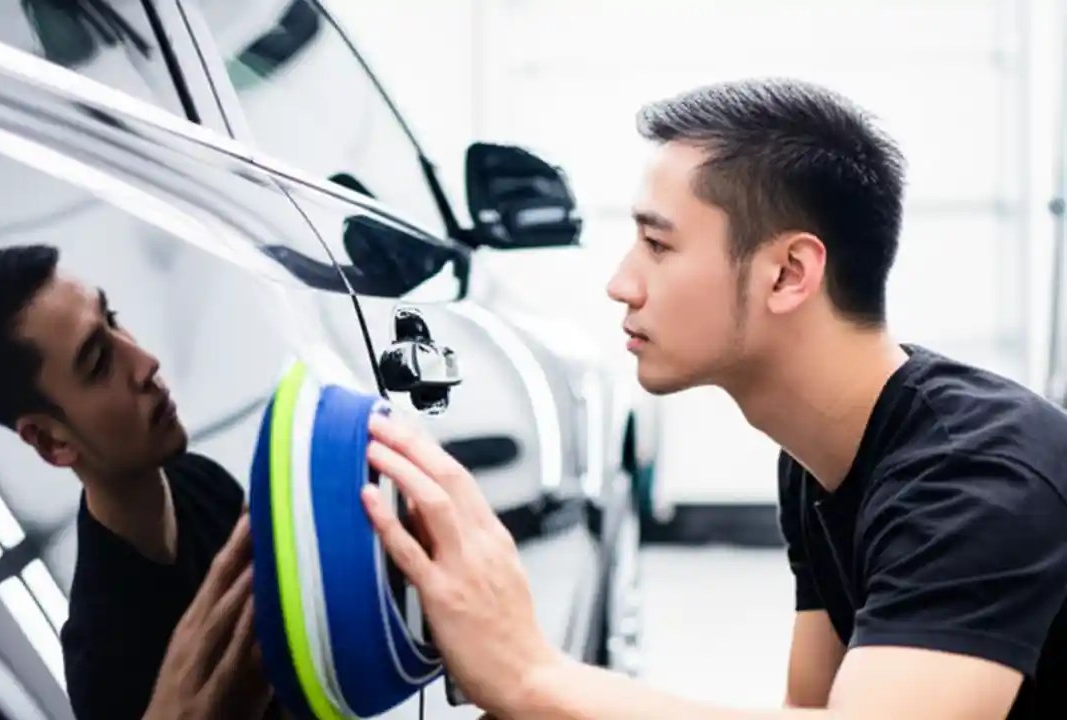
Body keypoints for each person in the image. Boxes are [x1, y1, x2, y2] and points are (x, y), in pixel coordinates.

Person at [359, 78, 1067, 719]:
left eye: (657, 246)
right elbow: (806, 707)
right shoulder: (820, 455)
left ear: (789, 273)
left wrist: (532, 676)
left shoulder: (977, 475)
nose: (621, 283)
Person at [0, 244, 273, 720]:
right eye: (98, 363)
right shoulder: (107, 664)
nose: (145, 361)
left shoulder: (201, 481)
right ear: (51, 441)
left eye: (112, 318)